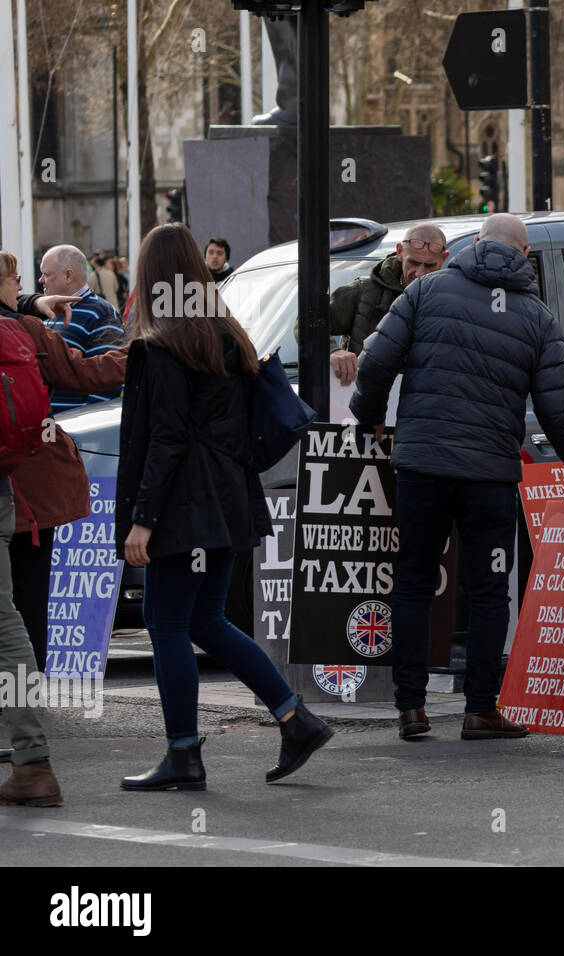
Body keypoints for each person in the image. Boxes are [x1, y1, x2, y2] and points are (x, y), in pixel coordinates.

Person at [351, 213, 564, 741]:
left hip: (422, 466)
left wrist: (371, 418)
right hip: (490, 475)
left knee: (414, 581)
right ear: (524, 255)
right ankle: (479, 709)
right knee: (490, 589)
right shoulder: (537, 317)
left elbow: (375, 362)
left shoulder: (424, 293)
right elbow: (560, 412)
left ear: (473, 246)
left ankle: (411, 709)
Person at [115, 223, 332, 790]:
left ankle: (184, 754)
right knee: (208, 620)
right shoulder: (226, 335)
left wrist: (143, 519)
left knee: (166, 623)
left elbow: (165, 439)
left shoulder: (163, 344)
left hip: (186, 508)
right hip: (228, 500)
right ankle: (295, 717)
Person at [0, 252, 127, 676]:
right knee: (28, 597)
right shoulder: (26, 331)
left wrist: (30, 301)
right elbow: (84, 373)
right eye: (16, 279)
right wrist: (140, 353)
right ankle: (23, 698)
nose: (21, 285)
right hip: (28, 485)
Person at [327, 222, 448, 386]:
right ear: (399, 252)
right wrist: (334, 351)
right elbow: (309, 323)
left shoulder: (452, 302)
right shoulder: (364, 292)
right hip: (362, 402)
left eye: (429, 265)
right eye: (413, 262)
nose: (420, 273)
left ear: (443, 259)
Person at [38, 244, 125, 413]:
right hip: (49, 428)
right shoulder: (48, 311)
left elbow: (107, 381)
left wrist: (81, 432)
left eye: (46, 274)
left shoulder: (101, 312)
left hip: (73, 431)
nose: (40, 279)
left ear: (68, 275)